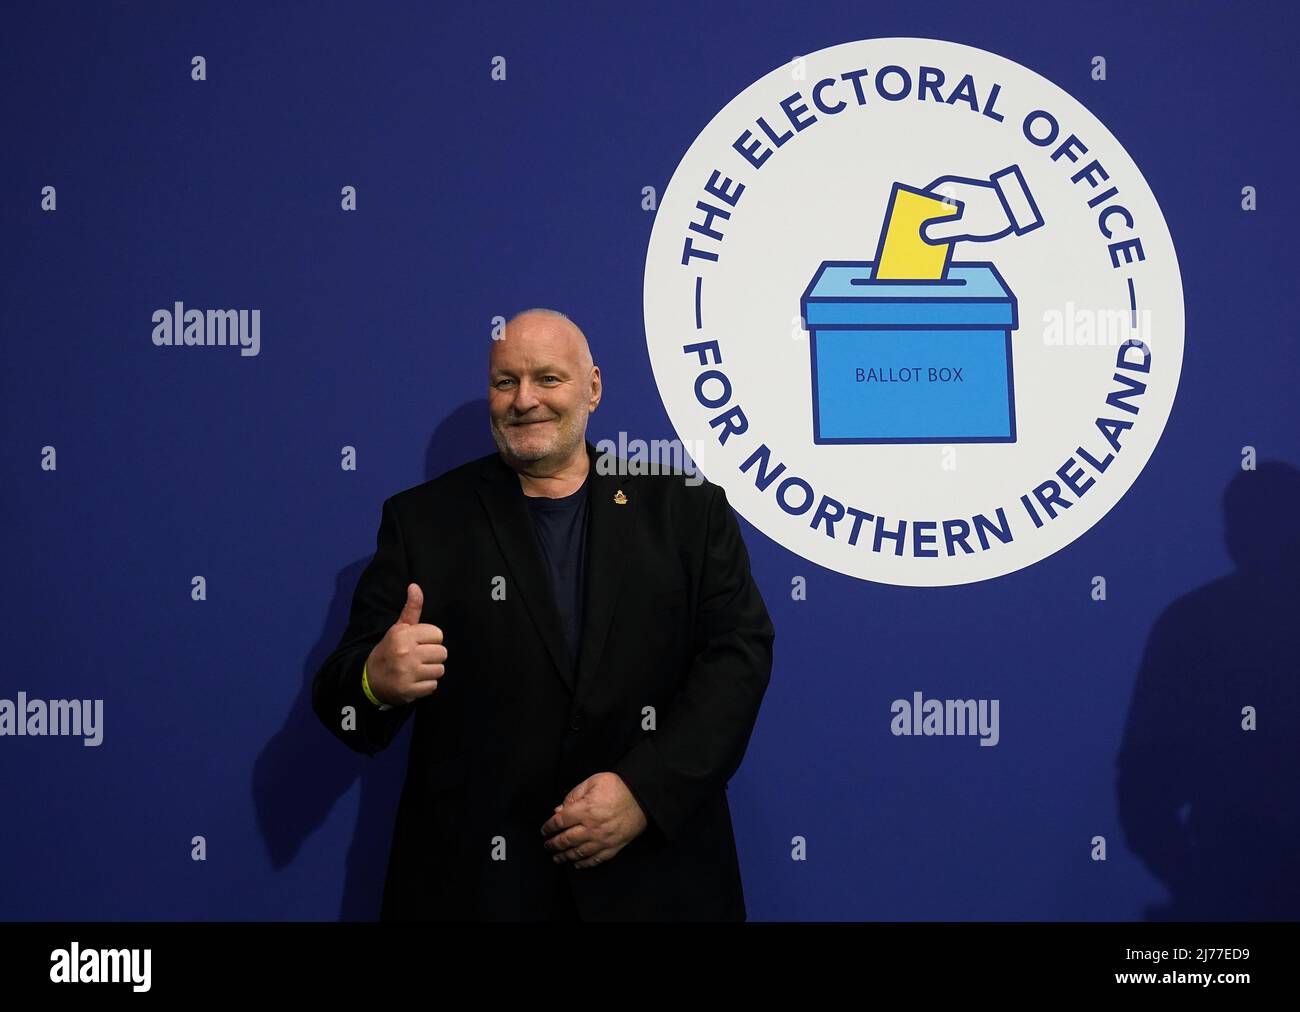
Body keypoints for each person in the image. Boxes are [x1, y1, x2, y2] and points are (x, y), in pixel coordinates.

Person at [311, 308, 775, 920]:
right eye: (505, 382)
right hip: (477, 893)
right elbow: (341, 702)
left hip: (656, 884)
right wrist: (376, 680)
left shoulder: (688, 512)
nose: (524, 400)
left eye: (548, 379)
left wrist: (644, 792)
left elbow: (738, 664)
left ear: (594, 388)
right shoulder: (422, 522)